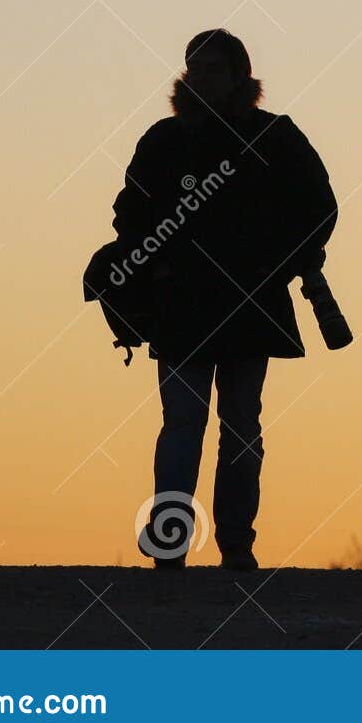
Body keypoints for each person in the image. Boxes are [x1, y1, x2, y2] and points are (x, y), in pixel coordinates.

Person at [110, 29, 337, 571]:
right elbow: (130, 214)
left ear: (239, 75)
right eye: (197, 67)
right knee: (184, 422)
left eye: (215, 68)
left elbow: (319, 209)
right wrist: (151, 268)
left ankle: (236, 545)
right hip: (181, 303)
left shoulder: (275, 137)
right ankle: (172, 545)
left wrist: (278, 268)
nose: (204, 77)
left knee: (240, 425)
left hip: (250, 302)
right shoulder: (164, 142)